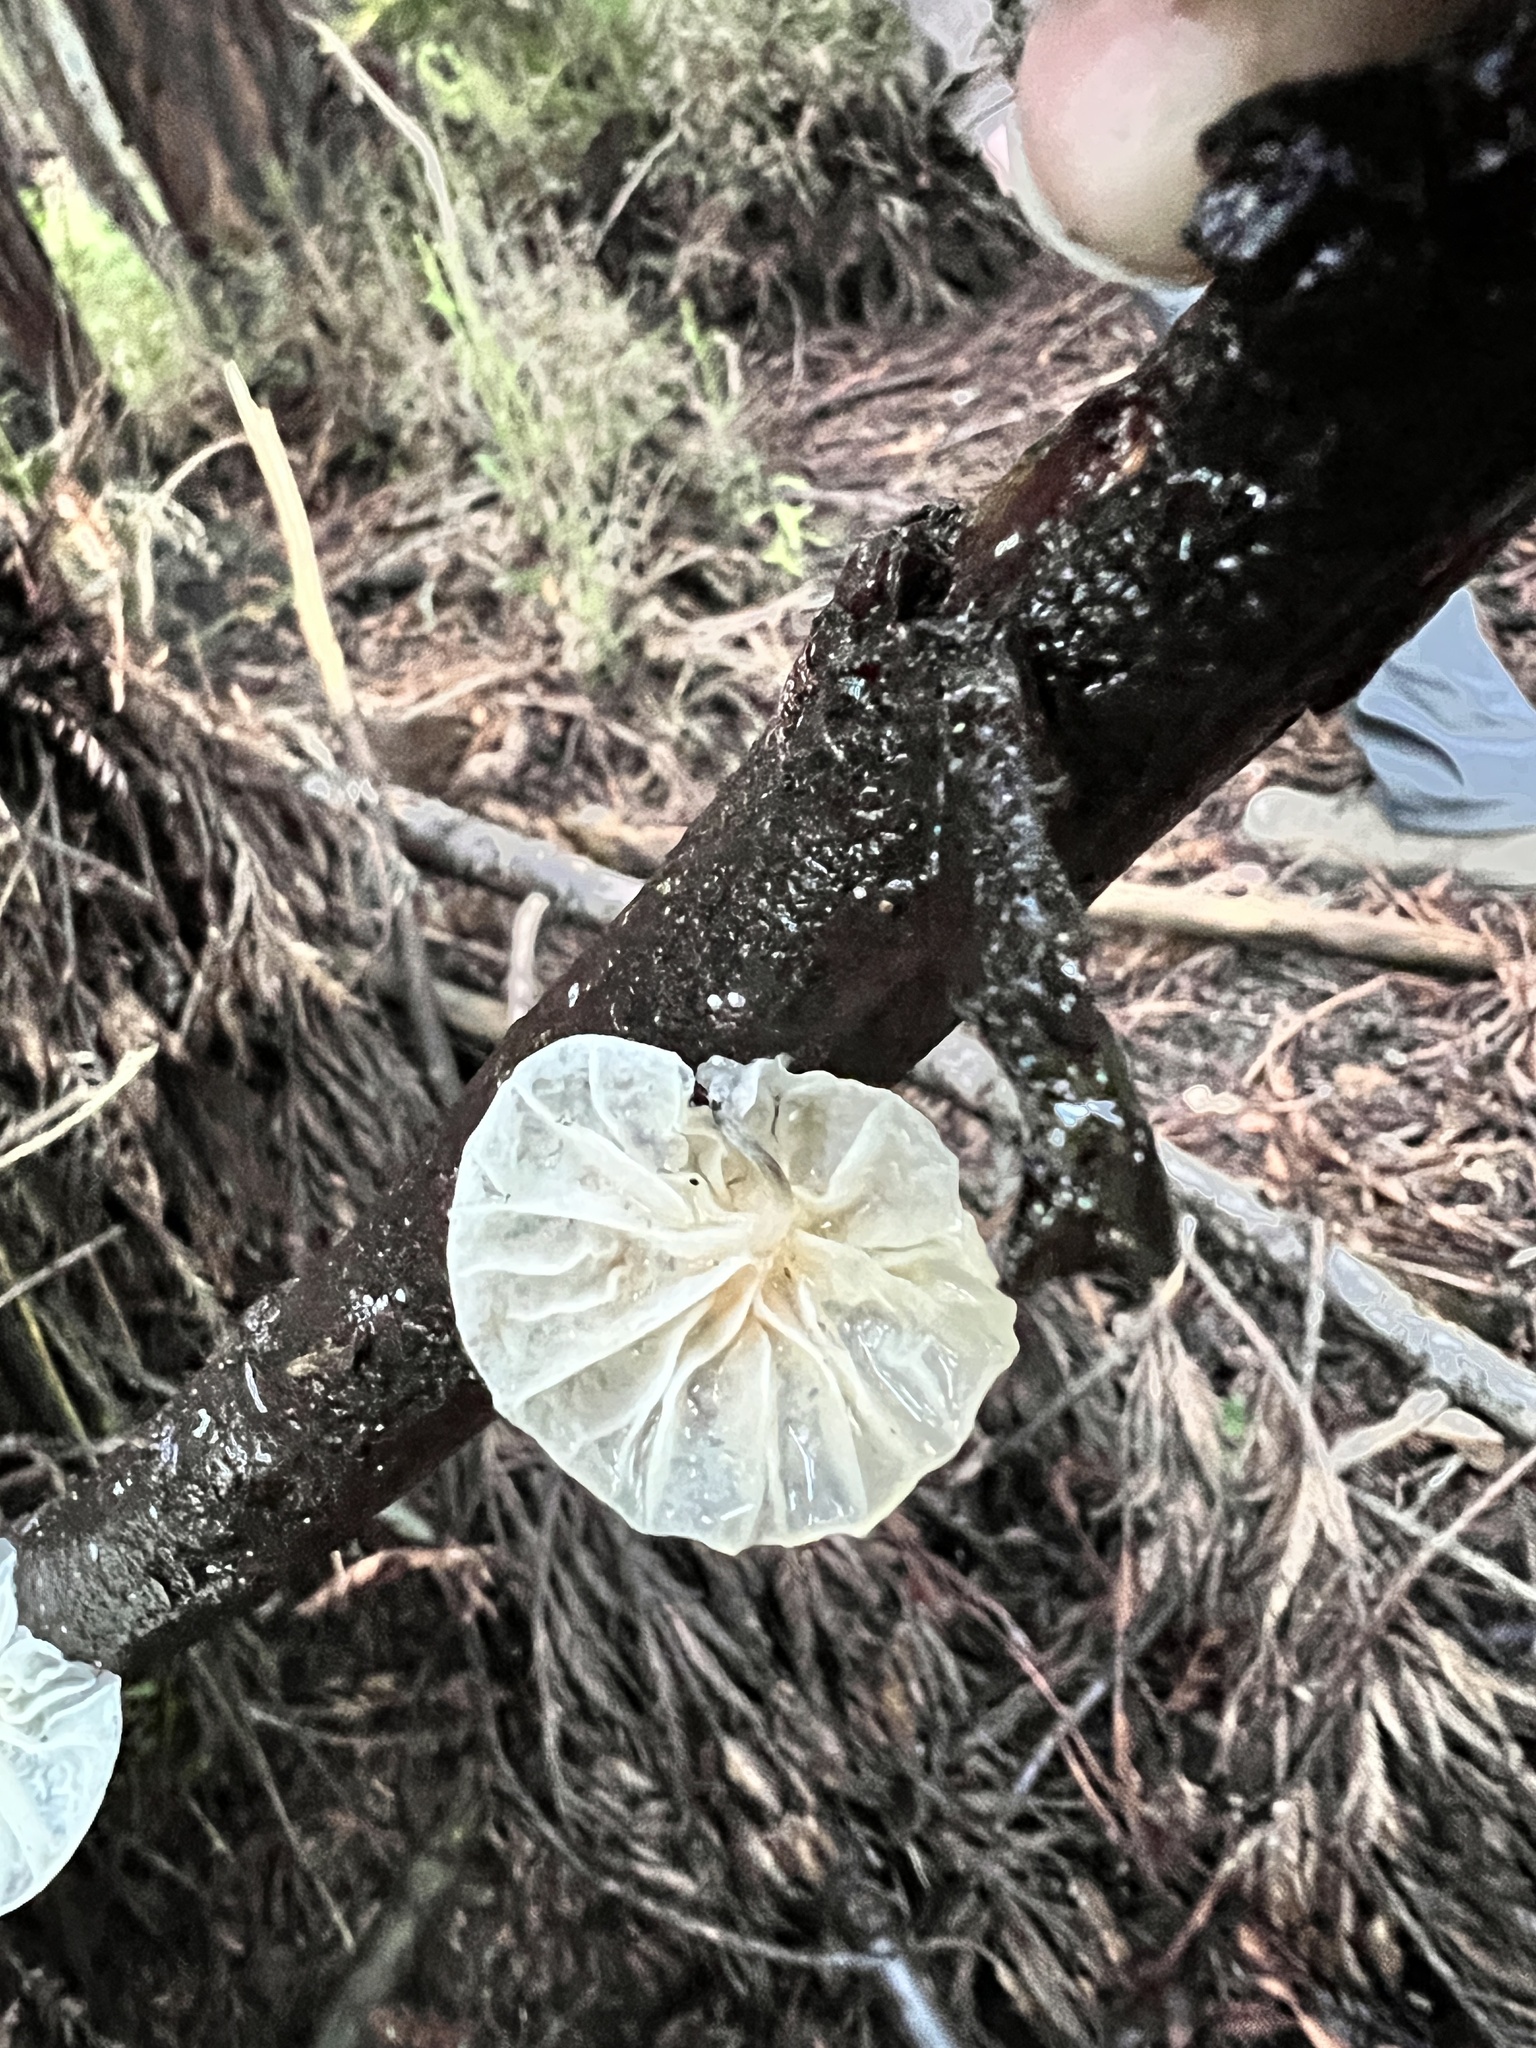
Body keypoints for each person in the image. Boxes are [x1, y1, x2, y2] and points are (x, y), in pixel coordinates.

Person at [896, 0, 1536, 888]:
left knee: (1311, 445)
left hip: (1193, 106)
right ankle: (1467, 764)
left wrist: (981, 96)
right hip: (1203, 117)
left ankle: (1469, 777)